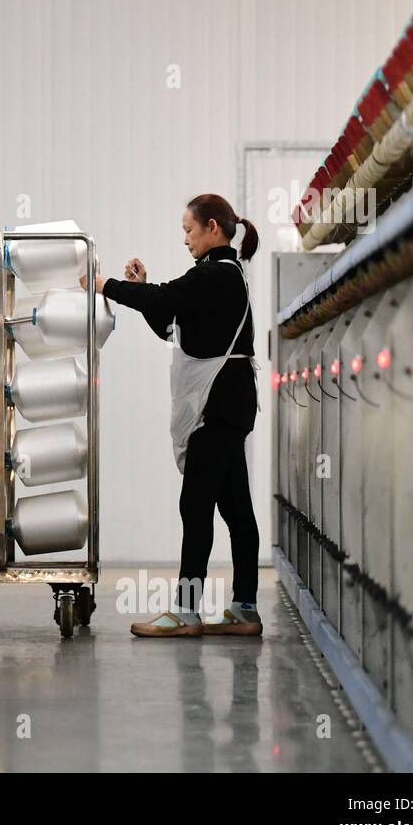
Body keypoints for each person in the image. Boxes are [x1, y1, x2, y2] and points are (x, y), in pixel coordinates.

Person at [86, 194, 263, 637]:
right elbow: (171, 326)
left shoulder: (218, 274)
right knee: (235, 508)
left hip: (217, 408)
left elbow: (167, 298)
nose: (185, 239)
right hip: (227, 406)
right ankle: (244, 609)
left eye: (188, 229)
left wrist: (106, 285)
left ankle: (186, 612)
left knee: (196, 505)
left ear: (211, 227)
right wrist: (142, 287)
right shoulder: (221, 275)